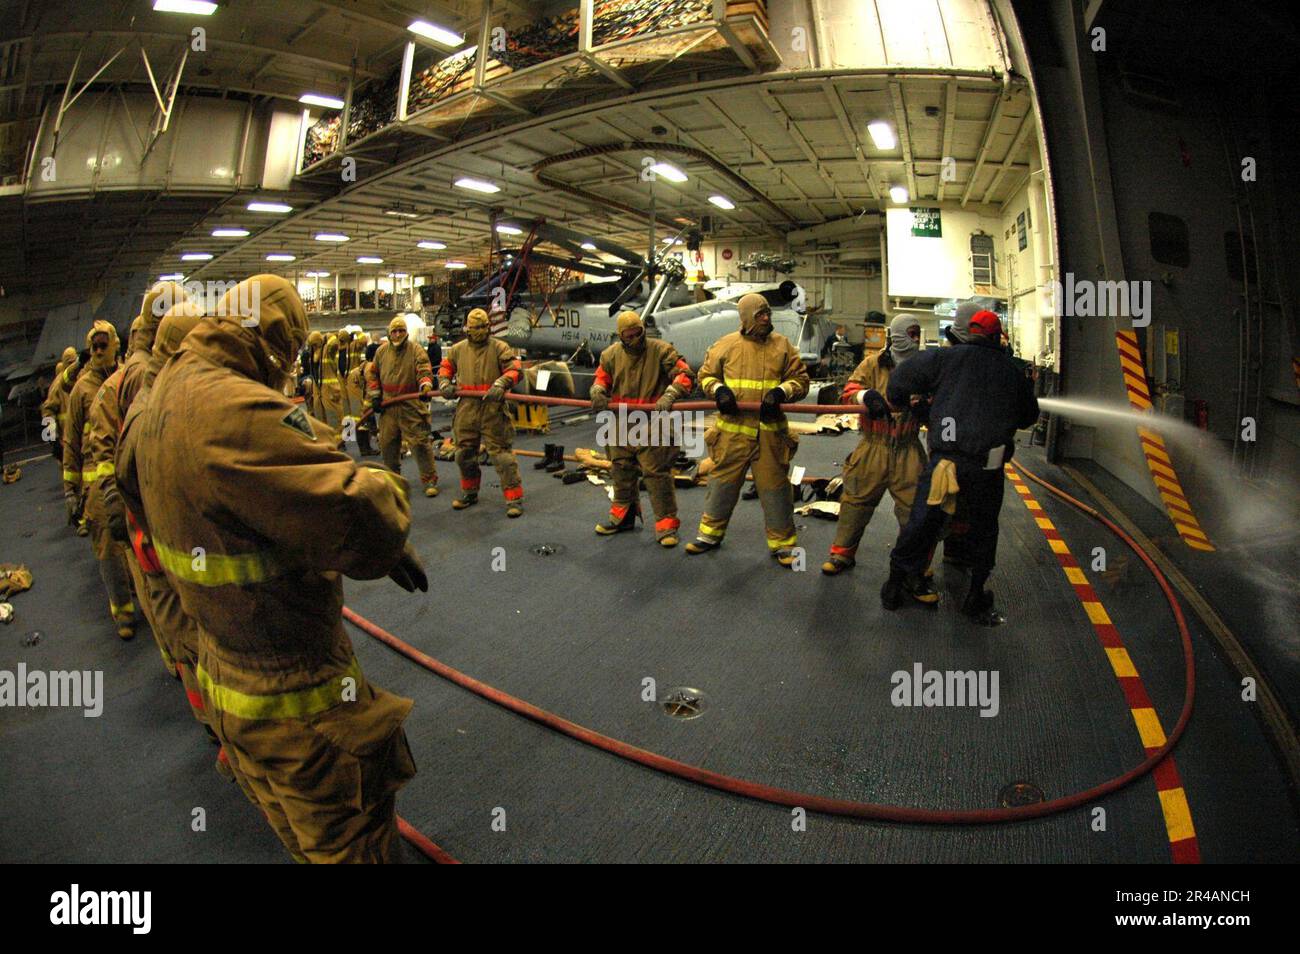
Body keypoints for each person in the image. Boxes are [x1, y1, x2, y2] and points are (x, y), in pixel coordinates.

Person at [119, 274, 425, 863]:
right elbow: (359, 509)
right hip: (300, 699)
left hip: (226, 678)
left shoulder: (161, 394)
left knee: (300, 836)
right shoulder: (229, 405)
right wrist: (385, 500)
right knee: (350, 842)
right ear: (276, 341)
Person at [882, 304, 1039, 625]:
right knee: (983, 529)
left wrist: (919, 405)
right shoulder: (1012, 372)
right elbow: (1028, 416)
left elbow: (898, 383)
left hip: (946, 464)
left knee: (922, 523)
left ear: (968, 333)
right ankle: (975, 595)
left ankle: (895, 584)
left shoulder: (944, 359)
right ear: (999, 337)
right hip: (988, 467)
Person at [687, 292, 809, 565]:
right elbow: (706, 376)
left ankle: (783, 545)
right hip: (732, 433)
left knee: (775, 490)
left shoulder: (783, 346)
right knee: (722, 485)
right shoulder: (726, 345)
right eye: (760, 314)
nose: (766, 318)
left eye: (768, 313)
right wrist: (719, 392)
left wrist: (780, 392)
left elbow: (801, 380)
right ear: (745, 318)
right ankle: (709, 535)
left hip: (770, 434)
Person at [822, 315, 929, 580]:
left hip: (908, 449)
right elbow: (847, 392)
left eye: (918, 333)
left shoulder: (925, 367)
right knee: (855, 501)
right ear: (898, 334)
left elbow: (939, 399)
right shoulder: (873, 364)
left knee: (915, 509)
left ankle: (917, 566)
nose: (915, 339)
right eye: (911, 333)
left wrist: (929, 408)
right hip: (873, 447)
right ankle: (842, 553)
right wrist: (866, 396)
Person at [588, 310, 695, 546]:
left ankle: (666, 527)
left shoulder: (661, 350)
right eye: (629, 335)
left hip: (653, 423)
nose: (635, 339)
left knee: (656, 475)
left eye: (638, 333)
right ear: (620, 335)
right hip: (621, 423)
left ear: (643, 330)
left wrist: (671, 394)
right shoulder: (610, 355)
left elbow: (685, 375)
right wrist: (597, 391)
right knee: (621, 471)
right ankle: (623, 518)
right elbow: (601, 378)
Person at [64, 319, 137, 637]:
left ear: (115, 348)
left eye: (102, 345)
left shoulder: (127, 380)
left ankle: (143, 595)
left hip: (129, 476)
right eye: (93, 346)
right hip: (97, 487)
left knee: (138, 543)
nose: (96, 351)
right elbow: (70, 441)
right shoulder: (81, 389)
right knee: (108, 549)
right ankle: (123, 612)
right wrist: (70, 489)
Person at [438, 307, 524, 516]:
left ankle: (514, 499)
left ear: (489, 326)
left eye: (484, 326)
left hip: (492, 409)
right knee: (463, 454)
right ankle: (470, 493)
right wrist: (444, 383)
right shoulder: (458, 349)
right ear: (468, 327)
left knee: (502, 456)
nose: (480, 330)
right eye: (475, 327)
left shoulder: (499, 347)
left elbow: (515, 370)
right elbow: (445, 367)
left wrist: (502, 383)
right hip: (467, 408)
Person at [367, 315, 439, 496]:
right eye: (394, 331)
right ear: (389, 334)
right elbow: (373, 375)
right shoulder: (381, 353)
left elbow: (424, 370)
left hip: (411, 406)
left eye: (401, 331)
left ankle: (429, 480)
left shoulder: (416, 350)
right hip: (389, 408)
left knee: (420, 444)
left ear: (406, 333)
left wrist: (425, 385)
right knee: (387, 445)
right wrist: (375, 396)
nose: (398, 335)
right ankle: (393, 481)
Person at [40, 347, 81, 461]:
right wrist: (53, 441)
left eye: (74, 363)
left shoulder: (81, 380)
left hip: (81, 441)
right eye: (70, 363)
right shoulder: (57, 385)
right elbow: (47, 412)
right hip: (65, 443)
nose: (72, 366)